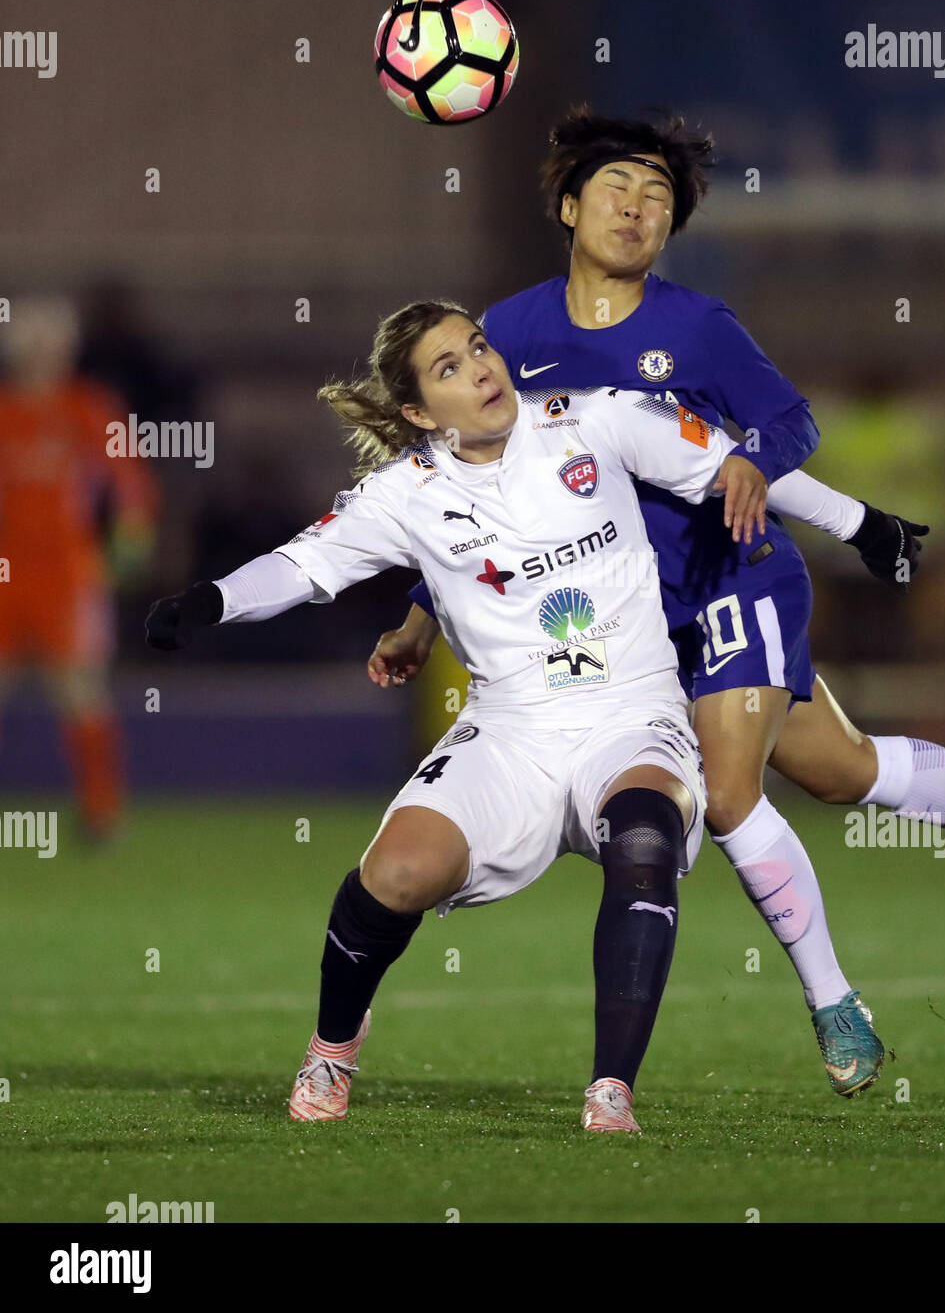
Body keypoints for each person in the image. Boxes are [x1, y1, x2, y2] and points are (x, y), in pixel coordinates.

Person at [381, 109, 945, 1099]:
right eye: (618, 186)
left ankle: (835, 1003)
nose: (638, 206)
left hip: (738, 577)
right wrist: (420, 613)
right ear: (568, 205)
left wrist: (750, 456)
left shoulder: (698, 328)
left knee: (729, 796)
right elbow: (469, 489)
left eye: (658, 195)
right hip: (638, 628)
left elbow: (792, 419)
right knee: (846, 772)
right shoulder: (507, 336)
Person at [144, 300, 879, 1131]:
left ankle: (610, 1091)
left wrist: (861, 523)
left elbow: (741, 470)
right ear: (420, 413)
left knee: (646, 836)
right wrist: (207, 601)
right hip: (510, 730)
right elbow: (303, 565)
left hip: (633, 711)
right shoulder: (404, 496)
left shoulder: (595, 421)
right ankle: (331, 1050)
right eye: (449, 368)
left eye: (479, 347)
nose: (481, 369)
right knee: (395, 876)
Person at [0, 297, 157, 840]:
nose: (42, 353)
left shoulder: (87, 408)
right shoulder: (3, 412)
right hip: (5, 572)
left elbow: (130, 483)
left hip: (67, 574)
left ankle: (101, 810)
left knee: (79, 690)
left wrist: (128, 544)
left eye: (52, 343)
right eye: (31, 342)